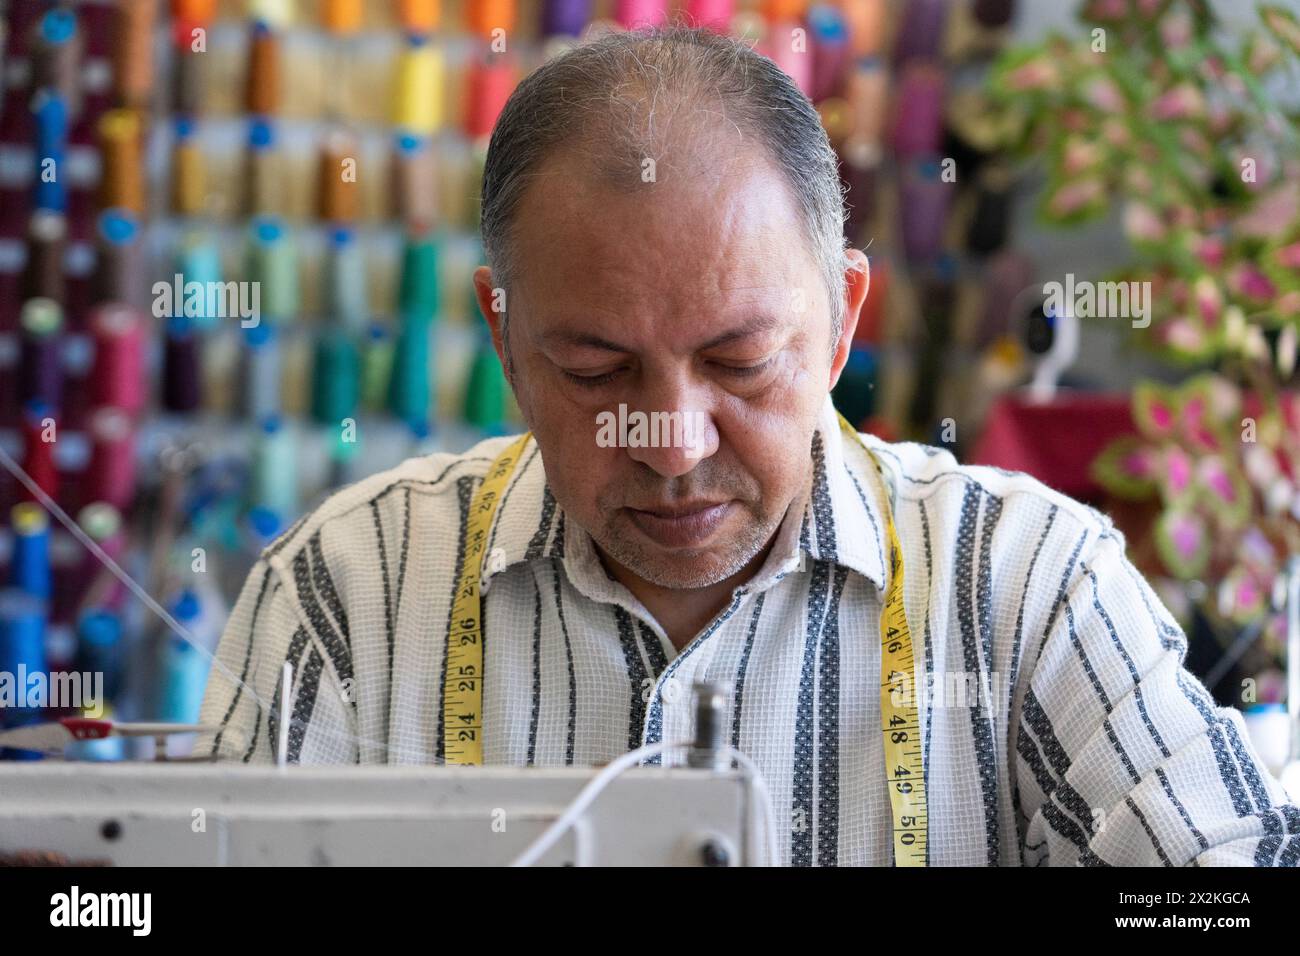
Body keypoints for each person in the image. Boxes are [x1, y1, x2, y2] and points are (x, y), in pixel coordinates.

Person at [196, 25, 1299, 866]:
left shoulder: (1032, 588)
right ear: (502, 337)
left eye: (738, 361)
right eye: (595, 371)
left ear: (841, 322)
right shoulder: (344, 595)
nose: (673, 444)